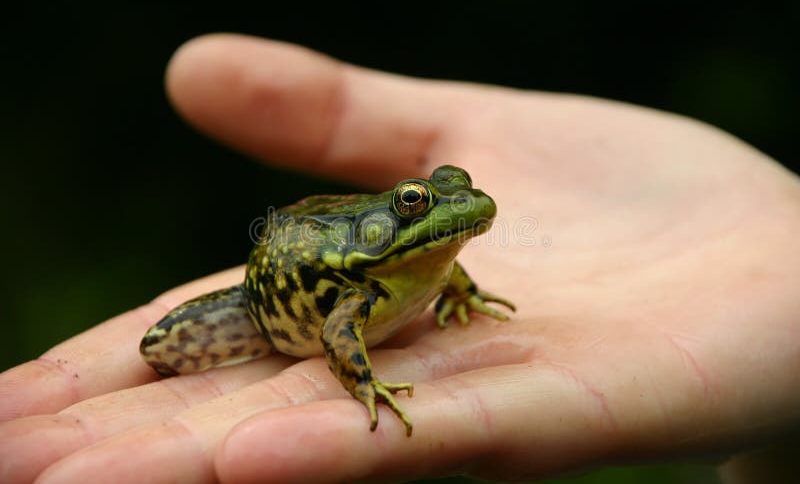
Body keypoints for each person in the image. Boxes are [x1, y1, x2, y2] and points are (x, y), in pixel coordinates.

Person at [1, 34, 798, 483]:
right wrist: (365, 380)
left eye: (448, 197)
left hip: (356, 269)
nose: (453, 208)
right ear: (394, 220)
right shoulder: (362, 290)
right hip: (270, 302)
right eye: (421, 205)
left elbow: (446, 259)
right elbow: (345, 331)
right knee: (159, 346)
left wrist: (456, 291)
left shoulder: (429, 260)